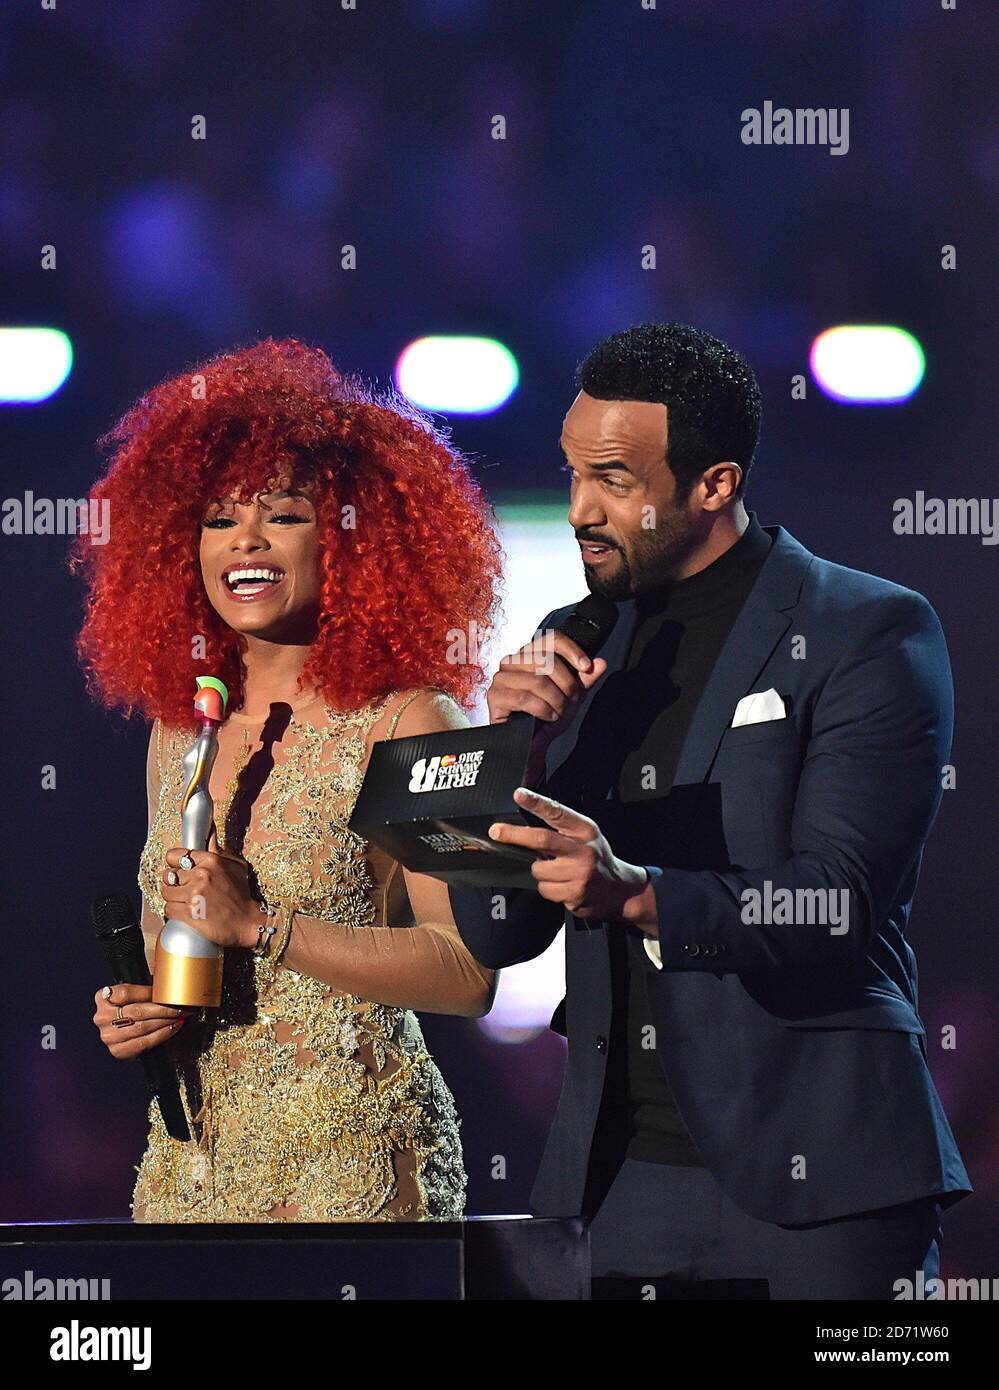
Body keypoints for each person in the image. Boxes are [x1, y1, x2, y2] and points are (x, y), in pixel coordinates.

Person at [449, 321, 972, 1299]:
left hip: (820, 1183)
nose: (578, 509)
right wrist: (505, 749)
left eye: (613, 480)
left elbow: (838, 905)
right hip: (618, 1183)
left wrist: (639, 895)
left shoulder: (867, 629)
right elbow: (495, 928)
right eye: (571, 473)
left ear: (714, 484)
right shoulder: (574, 640)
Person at [77, 337, 501, 1222]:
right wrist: (142, 1010)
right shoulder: (176, 728)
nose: (247, 542)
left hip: (349, 1167)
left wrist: (263, 926)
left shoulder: (417, 722)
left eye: (284, 513)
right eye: (218, 518)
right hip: (194, 1164)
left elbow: (467, 971)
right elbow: (174, 945)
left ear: (358, 538)